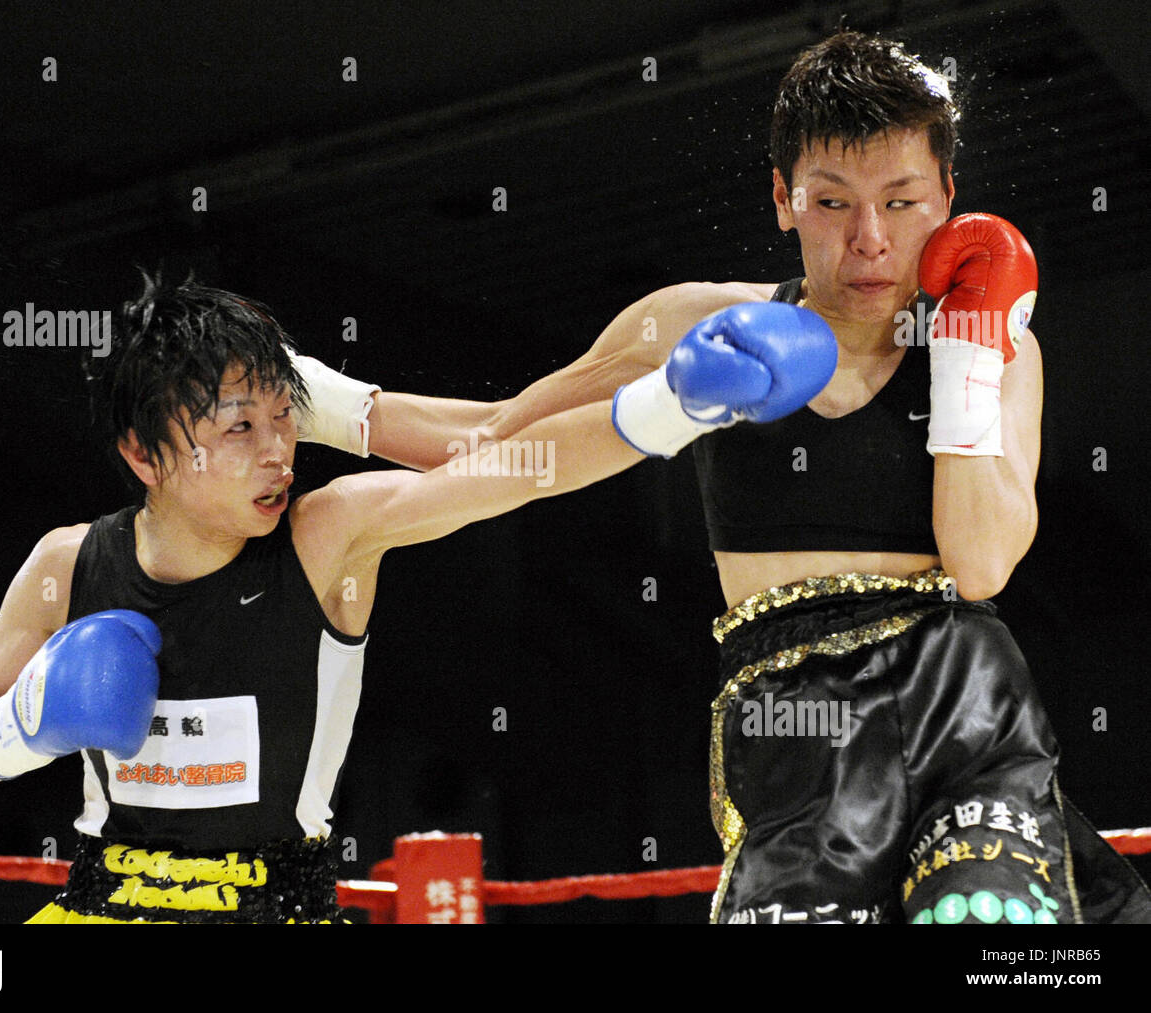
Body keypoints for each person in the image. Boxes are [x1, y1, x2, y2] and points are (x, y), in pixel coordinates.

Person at [305, 31, 1151, 923]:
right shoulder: (699, 322)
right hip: (796, 720)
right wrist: (321, 405)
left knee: (994, 937)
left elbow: (979, 566)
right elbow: (499, 437)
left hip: (963, 706)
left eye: (902, 202)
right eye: (833, 202)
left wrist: (969, 356)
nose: (870, 240)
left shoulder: (997, 343)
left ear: (947, 198)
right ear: (784, 198)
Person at [0, 271, 837, 923]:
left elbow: (517, 469)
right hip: (98, 906)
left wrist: (678, 409)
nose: (278, 451)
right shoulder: (68, 566)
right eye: (240, 428)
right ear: (143, 453)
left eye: (286, 419)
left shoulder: (330, 536)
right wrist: (20, 730)